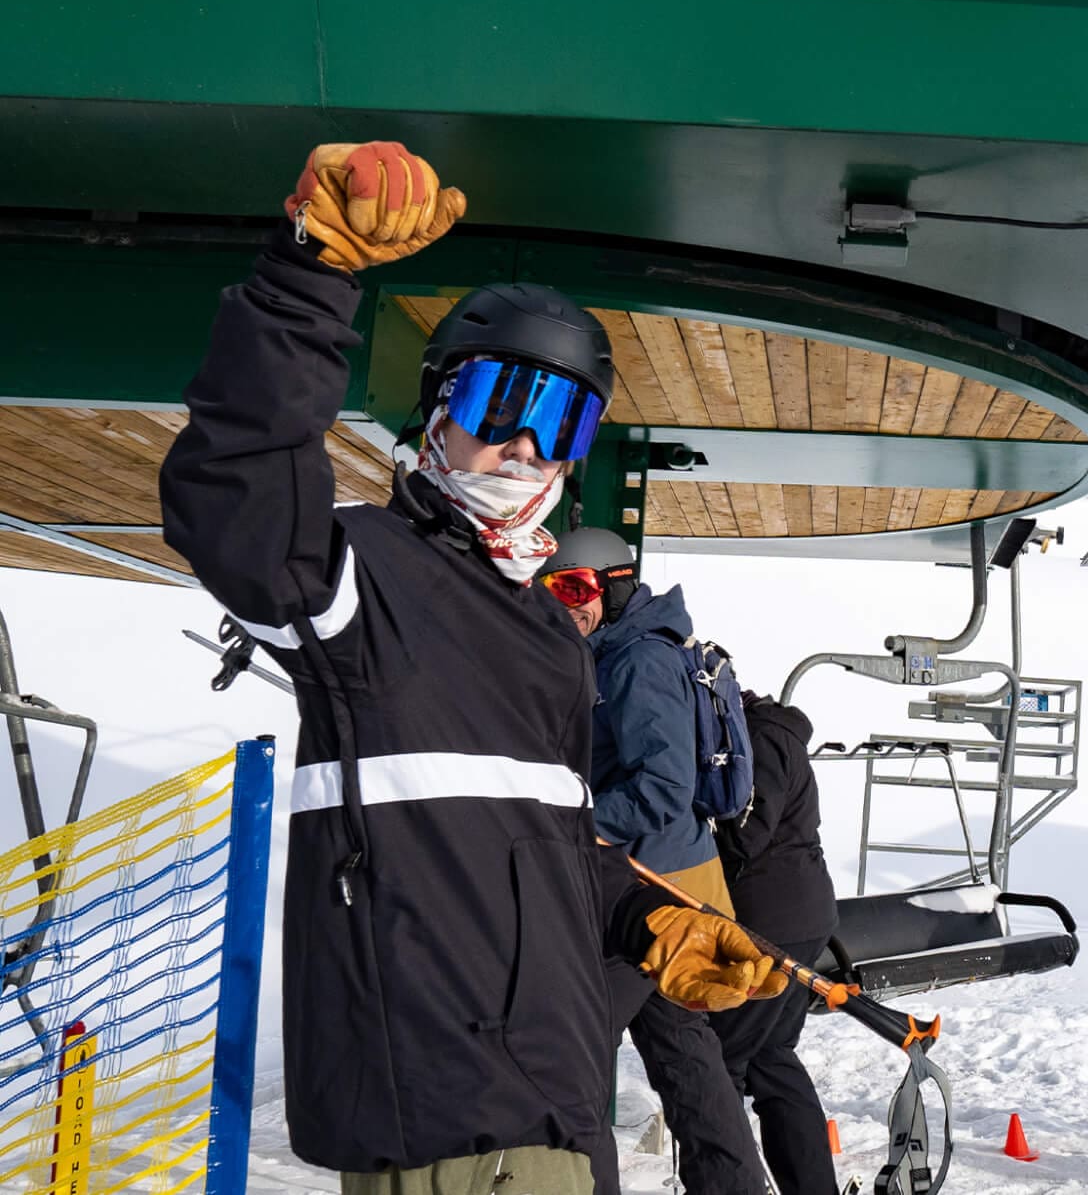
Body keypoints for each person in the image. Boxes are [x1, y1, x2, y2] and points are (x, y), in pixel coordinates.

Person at [160, 141, 783, 1195]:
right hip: (445, 1121)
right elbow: (236, 495)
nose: (526, 447)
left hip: (555, 1093)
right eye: (503, 406)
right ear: (437, 408)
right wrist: (312, 271)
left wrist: (642, 916)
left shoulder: (542, 629)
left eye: (560, 422)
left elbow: (532, 844)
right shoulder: (362, 577)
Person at [543, 528, 766, 1195]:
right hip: (664, 882)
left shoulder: (639, 659)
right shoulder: (614, 652)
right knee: (686, 1059)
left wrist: (572, 821)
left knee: (566, 1050)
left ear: (615, 586)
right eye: (556, 589)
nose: (569, 605)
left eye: (579, 589)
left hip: (651, 891)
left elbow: (663, 788)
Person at [713, 688, 841, 1195]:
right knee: (770, 1058)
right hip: (796, 914)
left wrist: (701, 827)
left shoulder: (758, 738)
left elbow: (747, 832)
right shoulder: (767, 732)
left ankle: (729, 1181)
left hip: (772, 921)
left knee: (718, 1064)